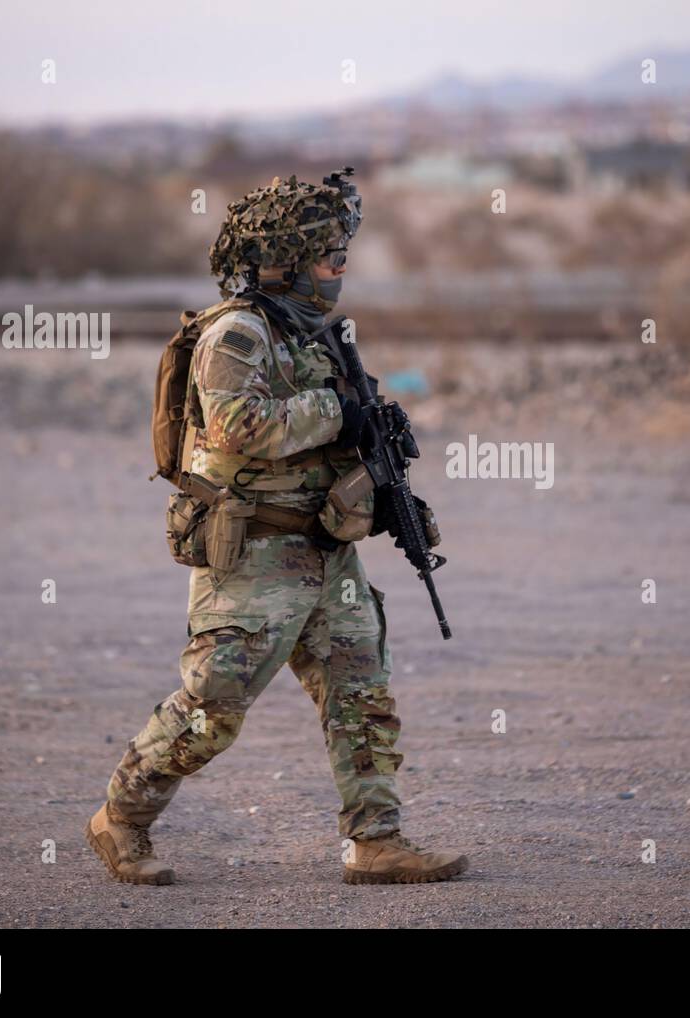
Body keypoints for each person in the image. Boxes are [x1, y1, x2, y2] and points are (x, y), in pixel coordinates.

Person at [86, 171, 467, 886]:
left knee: (362, 695)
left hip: (325, 549)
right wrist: (337, 412)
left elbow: (342, 433)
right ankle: (123, 818)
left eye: (342, 257)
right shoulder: (237, 332)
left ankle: (376, 840)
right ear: (287, 261)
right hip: (253, 551)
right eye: (330, 258)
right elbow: (238, 426)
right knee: (213, 706)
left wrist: (384, 487)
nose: (340, 271)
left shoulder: (318, 336)